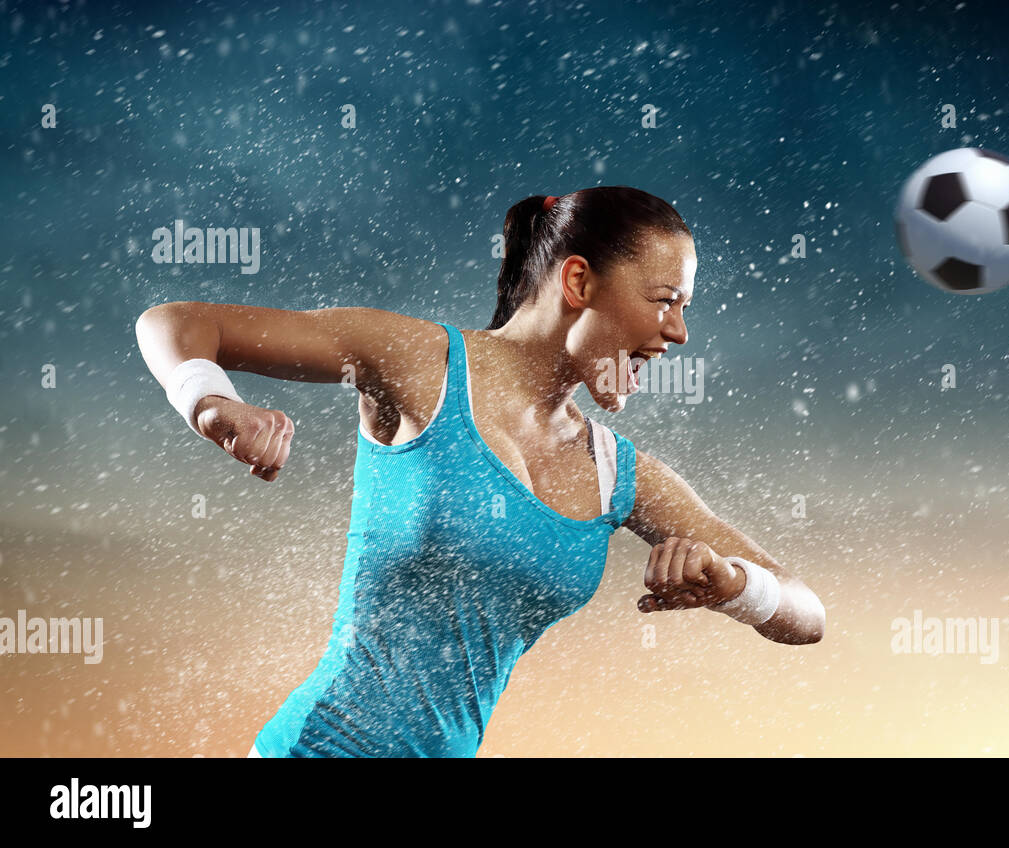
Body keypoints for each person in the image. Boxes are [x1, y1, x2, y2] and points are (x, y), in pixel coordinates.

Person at [135, 186, 826, 757]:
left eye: (685, 309)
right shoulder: (423, 366)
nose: (678, 333)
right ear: (579, 280)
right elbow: (175, 323)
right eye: (663, 299)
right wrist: (214, 406)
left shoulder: (622, 476)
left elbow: (806, 614)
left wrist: (736, 586)